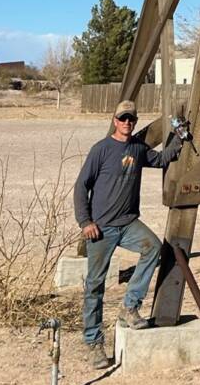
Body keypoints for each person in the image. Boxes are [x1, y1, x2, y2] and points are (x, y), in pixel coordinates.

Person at [73, 98, 183, 368]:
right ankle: (94, 343)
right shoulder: (101, 150)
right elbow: (81, 186)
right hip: (101, 229)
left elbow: (161, 159)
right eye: (122, 118)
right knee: (95, 285)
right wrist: (85, 222)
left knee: (153, 247)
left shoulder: (137, 148)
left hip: (128, 223)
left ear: (135, 122)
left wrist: (180, 138)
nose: (127, 122)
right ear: (115, 121)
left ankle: (129, 306)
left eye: (131, 119)